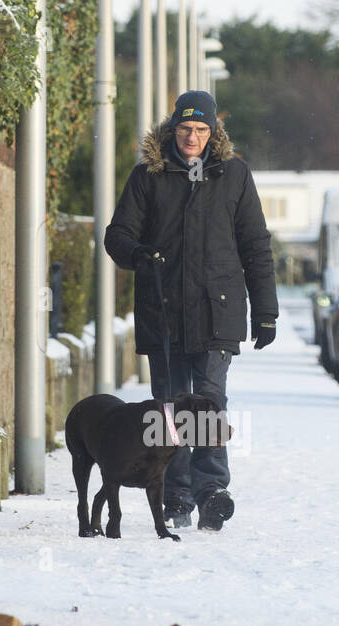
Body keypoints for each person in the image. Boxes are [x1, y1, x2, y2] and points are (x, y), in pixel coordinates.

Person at [104, 90, 278, 531]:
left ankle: (212, 490)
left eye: (201, 129)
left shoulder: (234, 175)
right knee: (169, 406)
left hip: (218, 312)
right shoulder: (149, 175)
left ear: (213, 132)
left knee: (210, 399)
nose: (192, 137)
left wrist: (266, 312)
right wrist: (138, 253)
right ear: (172, 130)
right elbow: (117, 234)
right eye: (185, 129)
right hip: (162, 312)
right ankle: (174, 493)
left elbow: (256, 246)